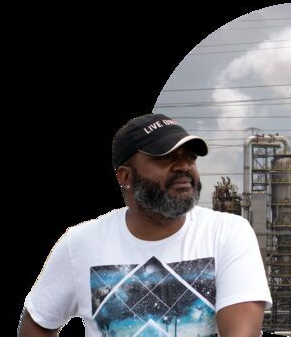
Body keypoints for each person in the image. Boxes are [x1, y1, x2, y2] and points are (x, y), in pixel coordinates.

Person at [18, 114, 272, 337]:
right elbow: (39, 322)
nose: (183, 167)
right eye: (166, 158)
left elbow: (241, 332)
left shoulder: (227, 233)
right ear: (126, 176)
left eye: (189, 157)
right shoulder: (81, 243)